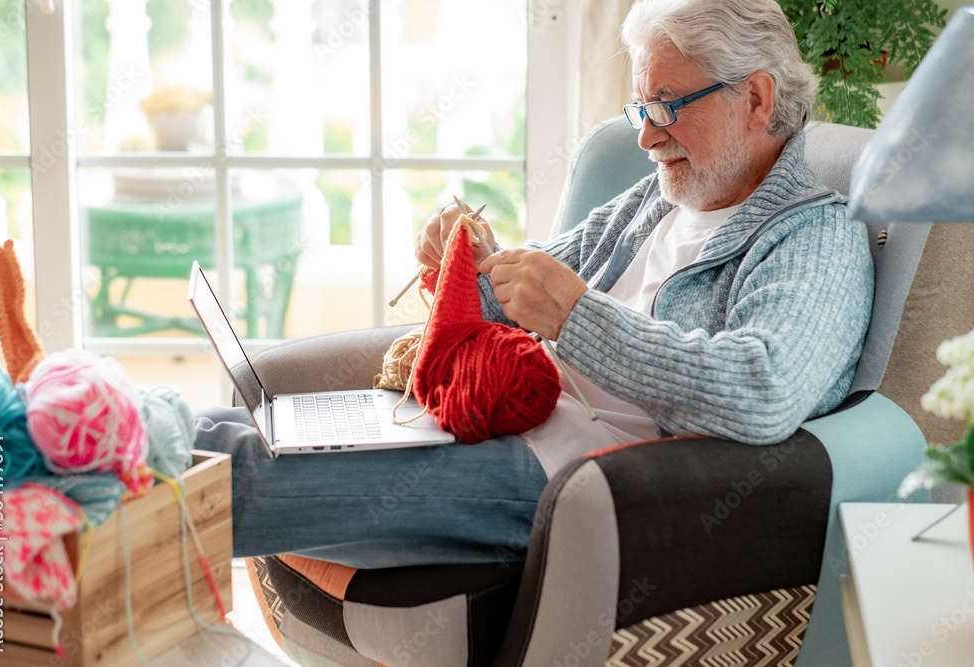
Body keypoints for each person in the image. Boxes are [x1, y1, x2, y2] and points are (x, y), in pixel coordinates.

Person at [194, 0, 873, 569]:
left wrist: (575, 316)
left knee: (239, 473)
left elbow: (762, 392)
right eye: (641, 108)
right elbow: (520, 289)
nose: (646, 138)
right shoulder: (658, 200)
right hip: (500, 421)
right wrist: (472, 258)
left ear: (755, 98)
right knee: (228, 430)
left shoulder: (815, 236)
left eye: (667, 106)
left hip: (577, 480)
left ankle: (124, 451)